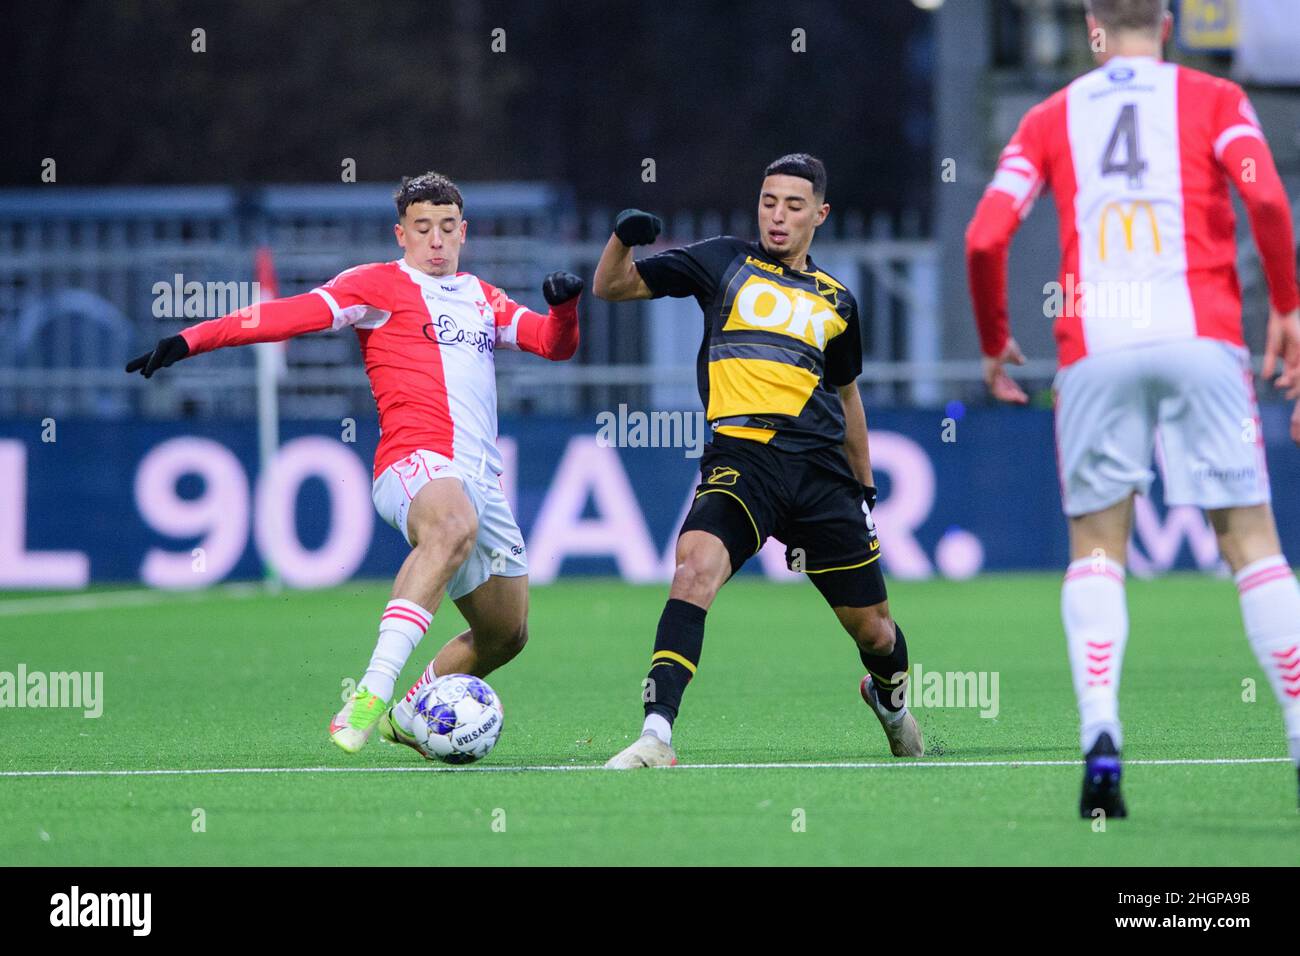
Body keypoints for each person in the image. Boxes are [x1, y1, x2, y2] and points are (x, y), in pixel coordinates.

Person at [965, 0, 1300, 815]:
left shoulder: (1051, 116)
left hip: (1095, 350)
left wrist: (994, 338)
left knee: (1097, 551)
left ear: (1091, 27)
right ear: (1170, 25)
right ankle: (1296, 734)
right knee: (1251, 544)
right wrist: (1288, 307)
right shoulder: (1216, 101)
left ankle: (1103, 736)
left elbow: (983, 236)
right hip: (1204, 337)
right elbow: (1266, 202)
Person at [127, 171, 584, 755]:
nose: (436, 240)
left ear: (464, 232)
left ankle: (408, 713)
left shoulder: (482, 297)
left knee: (506, 634)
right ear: (402, 234)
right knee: (450, 527)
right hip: (413, 462)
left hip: (480, 481)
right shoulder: (374, 286)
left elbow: (554, 344)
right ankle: (371, 692)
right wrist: (192, 340)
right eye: (423, 229)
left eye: (448, 228)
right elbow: (286, 316)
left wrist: (566, 307)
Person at [592, 153, 923, 769]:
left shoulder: (838, 302)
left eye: (794, 205)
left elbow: (848, 397)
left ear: (819, 214)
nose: (778, 215)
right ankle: (656, 736)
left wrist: (865, 484)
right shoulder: (722, 260)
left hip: (822, 475)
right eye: (769, 201)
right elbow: (611, 286)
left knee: (876, 632)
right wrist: (621, 239)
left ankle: (891, 705)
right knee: (693, 569)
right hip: (741, 459)